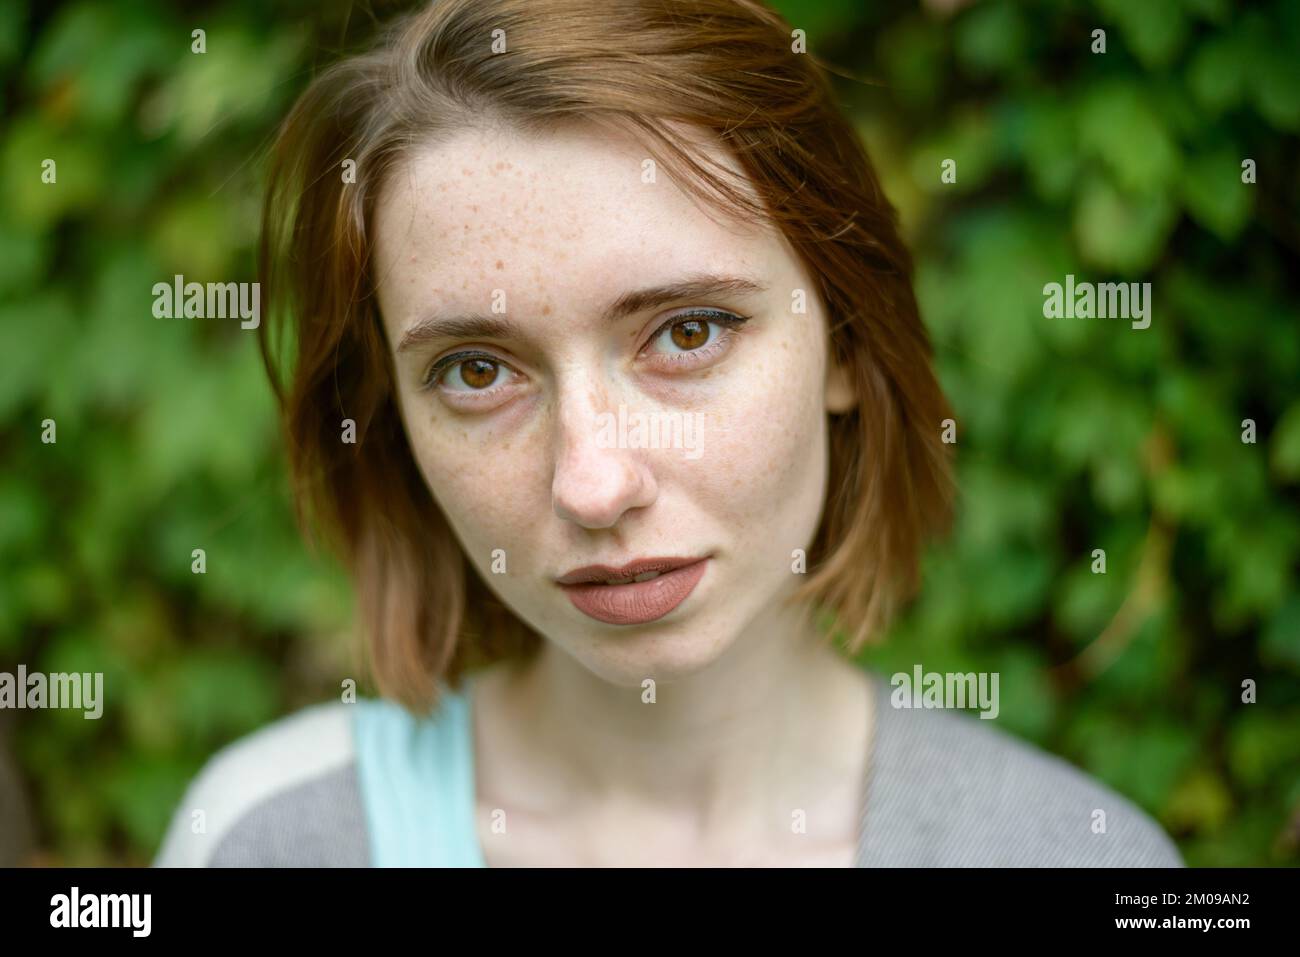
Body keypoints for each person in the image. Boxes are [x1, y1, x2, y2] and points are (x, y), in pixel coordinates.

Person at [155, 0, 1181, 867]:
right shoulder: (273, 839)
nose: (593, 486)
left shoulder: (1073, 854)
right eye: (477, 371)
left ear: (844, 344)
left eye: (688, 332)